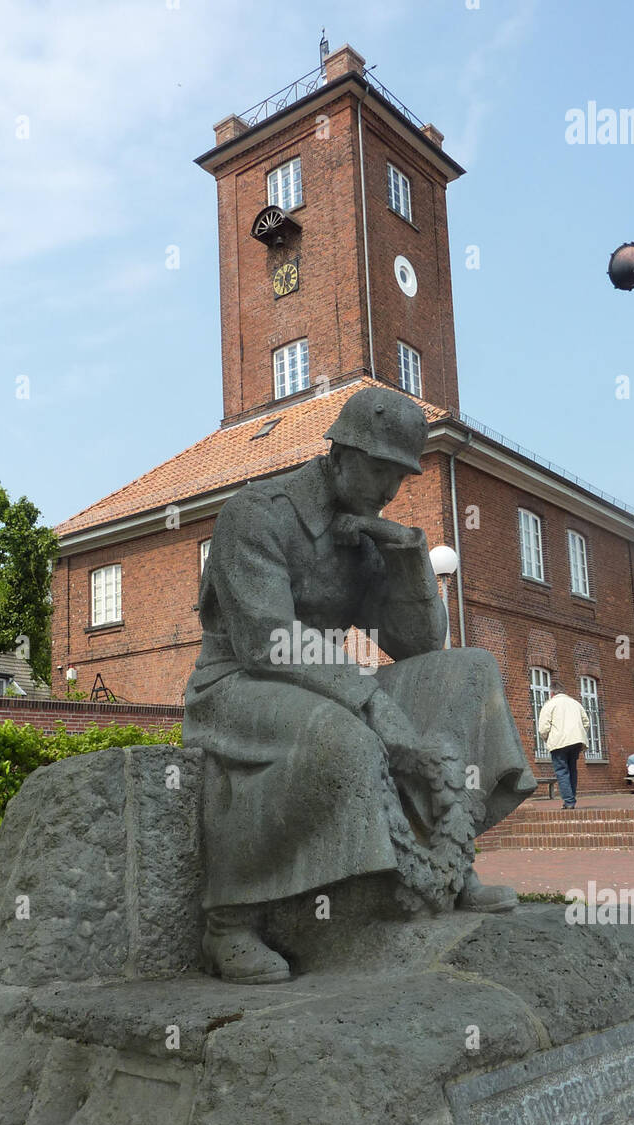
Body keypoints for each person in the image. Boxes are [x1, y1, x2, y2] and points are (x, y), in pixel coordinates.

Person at [183, 386, 537, 983]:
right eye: (380, 469)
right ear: (341, 452)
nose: (390, 490)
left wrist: (408, 559)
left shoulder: (364, 536)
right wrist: (371, 701)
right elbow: (268, 639)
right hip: (236, 685)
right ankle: (230, 923)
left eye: (400, 475)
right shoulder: (257, 514)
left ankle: (449, 863)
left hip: (328, 682)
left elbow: (418, 646)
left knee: (469, 671)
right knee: (346, 740)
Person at [537, 680, 589, 808]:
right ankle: (571, 798)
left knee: (562, 771)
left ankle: (569, 801)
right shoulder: (576, 703)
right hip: (576, 741)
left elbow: (543, 727)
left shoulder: (550, 704)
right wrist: (579, 734)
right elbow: (586, 722)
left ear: (552, 693)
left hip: (559, 742)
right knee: (572, 770)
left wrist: (547, 738)